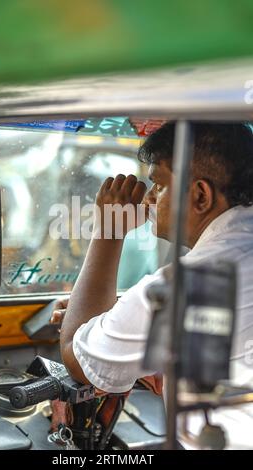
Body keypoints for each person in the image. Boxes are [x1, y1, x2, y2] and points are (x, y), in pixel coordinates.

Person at [57, 122, 253, 448]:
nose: (148, 199)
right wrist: (121, 312)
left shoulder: (181, 285)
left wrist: (109, 229)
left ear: (200, 195)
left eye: (159, 185)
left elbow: (79, 362)